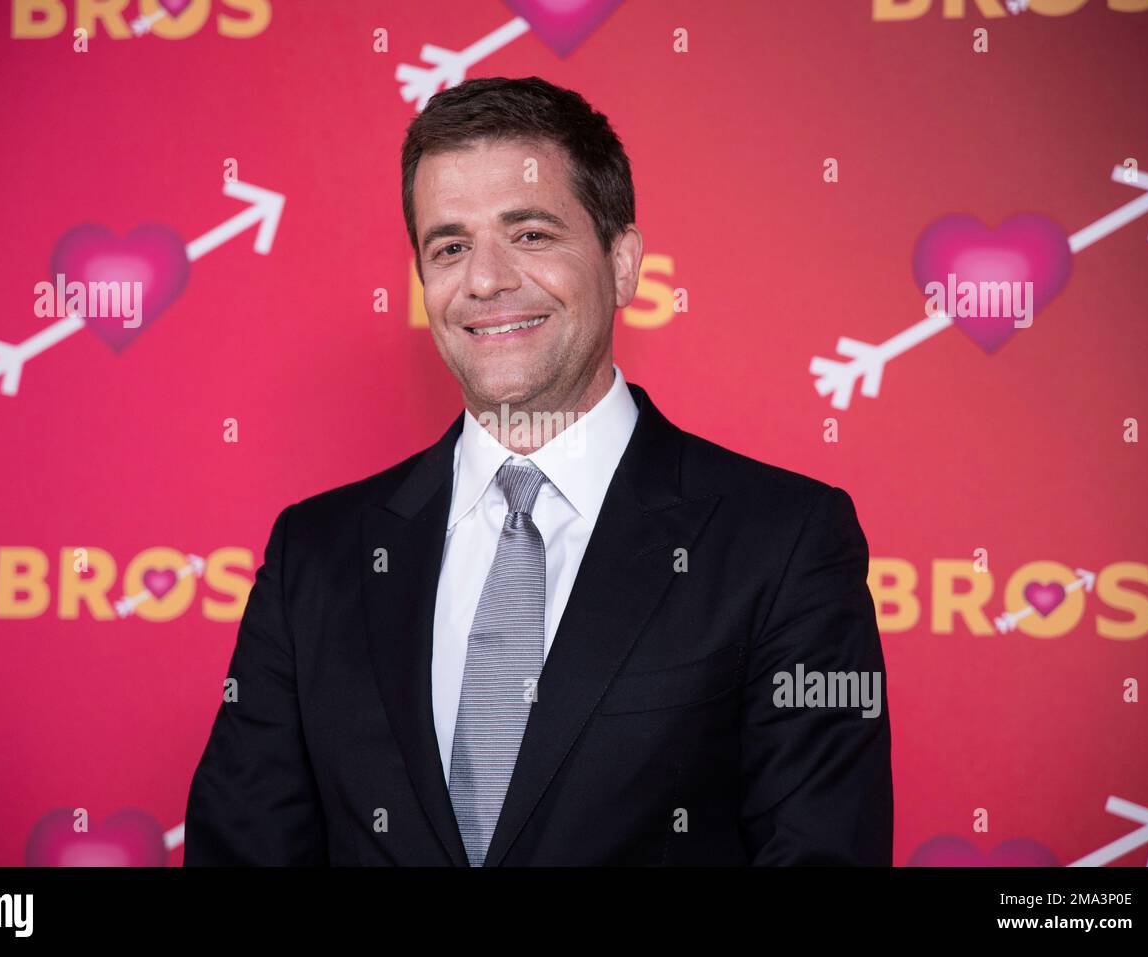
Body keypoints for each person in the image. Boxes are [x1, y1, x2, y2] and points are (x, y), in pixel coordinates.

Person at [184, 75, 892, 866]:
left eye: (529, 234)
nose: (485, 279)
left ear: (624, 264)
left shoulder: (783, 543)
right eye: (450, 246)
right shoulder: (314, 554)